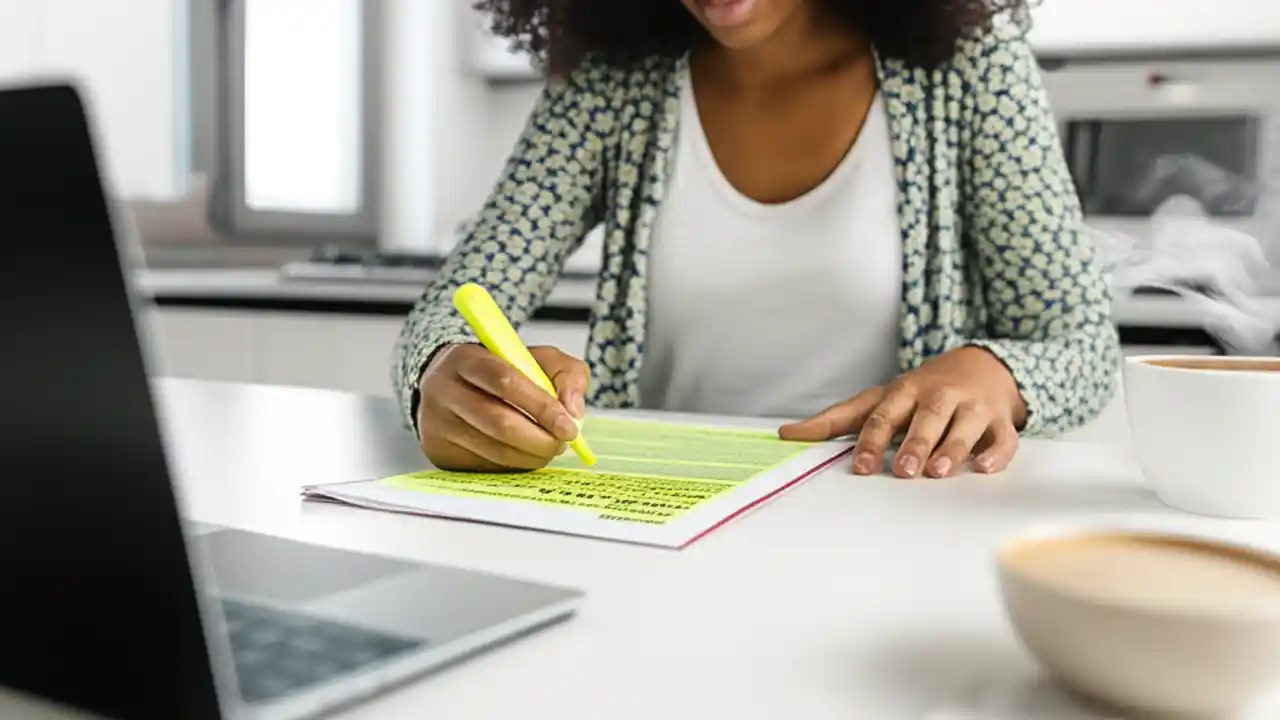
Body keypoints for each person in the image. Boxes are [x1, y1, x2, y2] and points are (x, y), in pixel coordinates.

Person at [393, 0, 1120, 479]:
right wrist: (438, 376)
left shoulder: (968, 70)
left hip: (885, 517)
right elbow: (448, 312)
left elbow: (1081, 345)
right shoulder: (610, 86)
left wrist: (989, 373)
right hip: (665, 519)